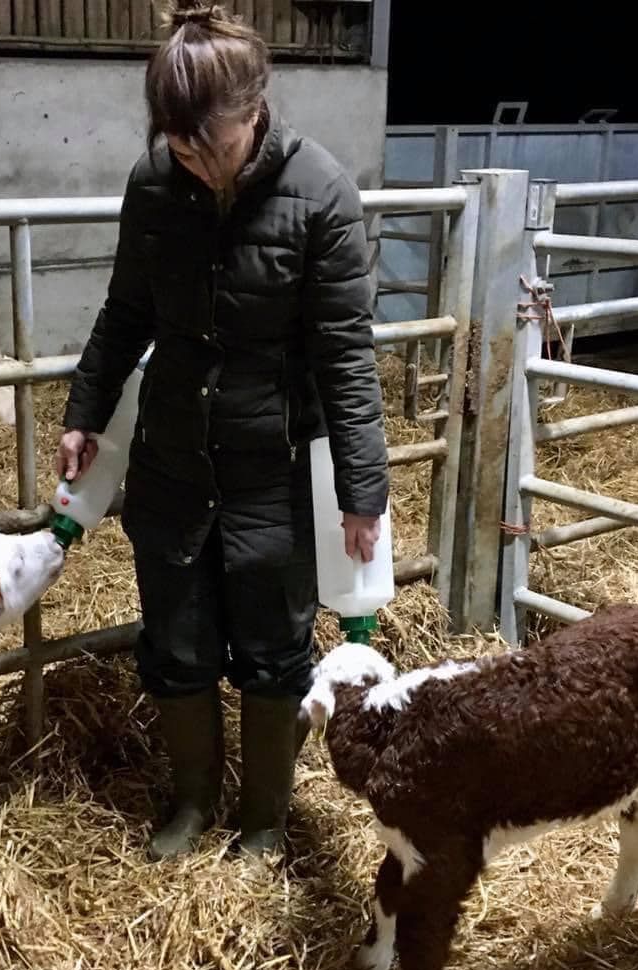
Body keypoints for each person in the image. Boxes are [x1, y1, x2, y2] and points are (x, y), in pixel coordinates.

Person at [55, 3, 389, 860]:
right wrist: (84, 412)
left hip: (273, 468)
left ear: (254, 109)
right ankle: (192, 803)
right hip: (172, 459)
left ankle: (264, 820)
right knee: (176, 640)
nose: (199, 166)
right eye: (181, 148)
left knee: (274, 650)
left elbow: (346, 355)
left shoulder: (321, 193)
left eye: (215, 146)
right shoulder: (154, 185)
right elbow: (126, 311)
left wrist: (363, 493)